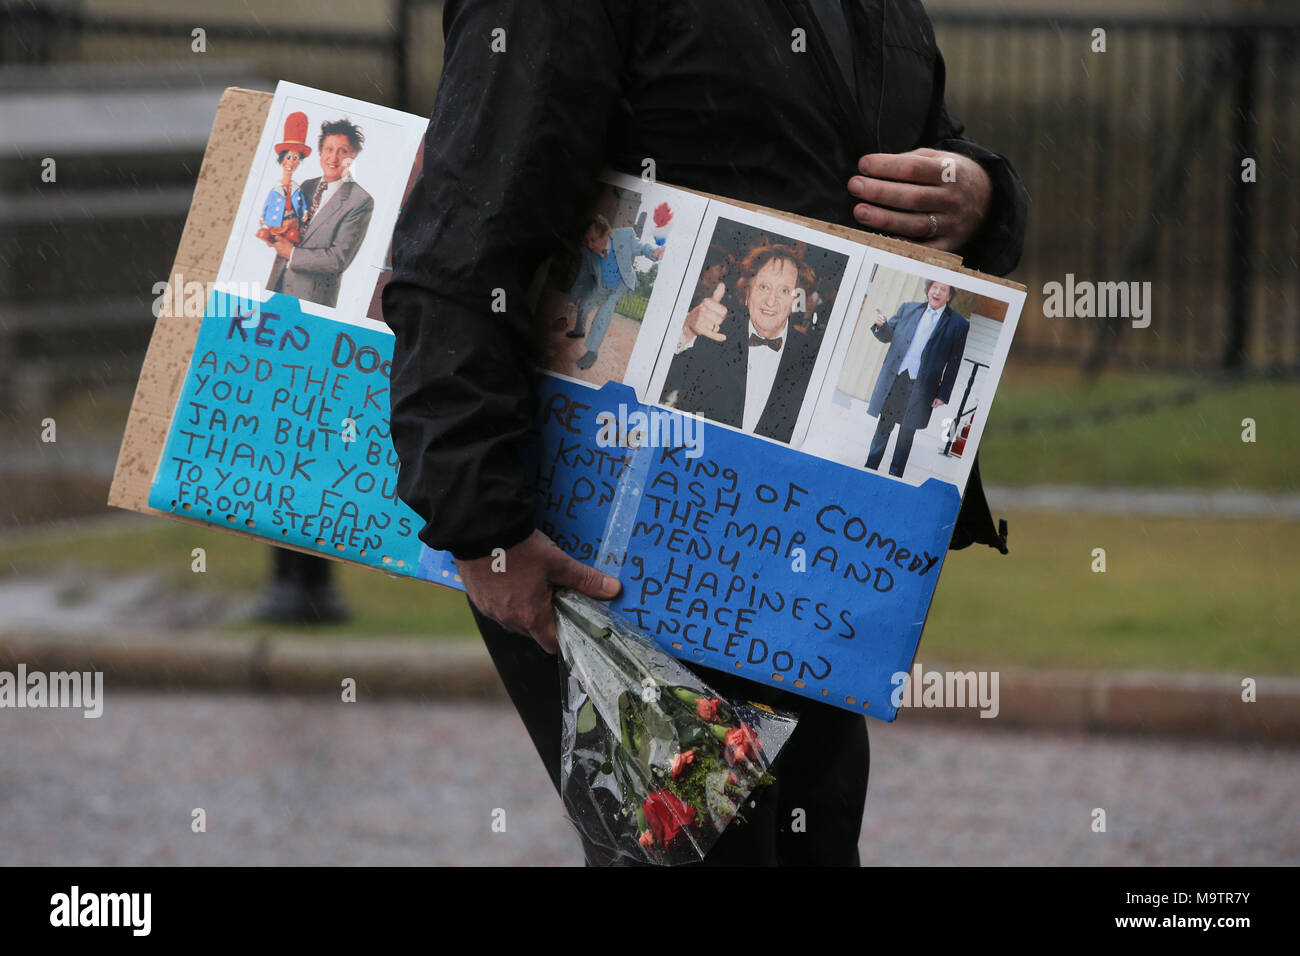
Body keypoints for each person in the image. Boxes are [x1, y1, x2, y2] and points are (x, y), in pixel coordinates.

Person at [383, 0, 1027, 866]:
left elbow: (920, 146)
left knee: (813, 846)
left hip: (804, 538)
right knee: (696, 858)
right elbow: (462, 239)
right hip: (604, 535)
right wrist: (482, 525)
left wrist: (980, 195)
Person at [662, 242, 819, 444]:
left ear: (796, 301)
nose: (771, 301)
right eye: (763, 287)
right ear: (747, 293)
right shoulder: (713, 332)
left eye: (784, 291)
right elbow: (661, 382)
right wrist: (686, 330)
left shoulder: (811, 358)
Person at [865, 280, 968, 477]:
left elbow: (954, 363)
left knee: (906, 433)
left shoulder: (958, 324)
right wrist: (881, 325)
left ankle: (895, 477)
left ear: (950, 295)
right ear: (928, 290)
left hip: (922, 386)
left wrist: (943, 393)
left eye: (943, 289)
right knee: (883, 426)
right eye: (934, 287)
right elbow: (887, 336)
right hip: (897, 378)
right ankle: (869, 469)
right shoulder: (908, 309)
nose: (937, 292)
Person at [267, 119, 374, 310]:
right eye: (329, 149)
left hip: (311, 302)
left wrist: (291, 253)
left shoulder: (360, 201)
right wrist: (275, 234)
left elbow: (337, 260)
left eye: (343, 151)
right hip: (276, 288)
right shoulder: (307, 185)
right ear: (320, 152)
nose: (333, 158)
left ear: (353, 156)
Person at [565, 214, 665, 370]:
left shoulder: (625, 235)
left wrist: (653, 252)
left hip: (621, 283)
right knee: (584, 305)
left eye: (593, 240)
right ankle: (579, 330)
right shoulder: (588, 253)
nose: (590, 245)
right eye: (587, 241)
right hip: (602, 285)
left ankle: (592, 352)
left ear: (606, 233)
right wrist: (571, 303)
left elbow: (641, 248)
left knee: (605, 310)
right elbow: (581, 279)